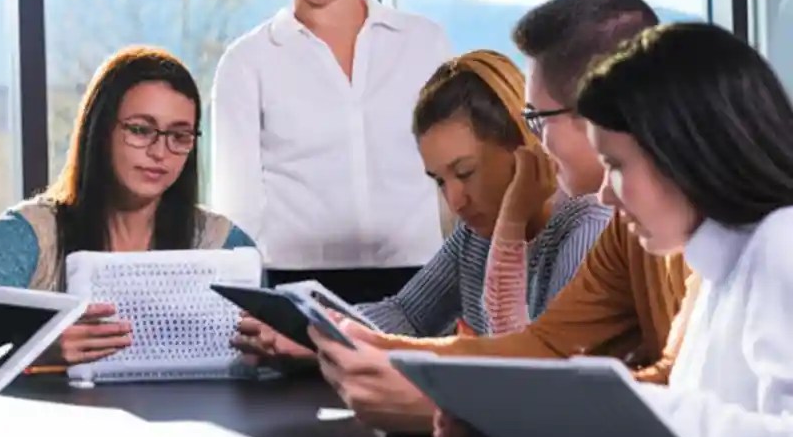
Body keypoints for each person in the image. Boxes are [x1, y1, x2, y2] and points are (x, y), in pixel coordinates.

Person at [304, 0, 694, 433]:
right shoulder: (625, 230)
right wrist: (375, 346)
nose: (537, 141)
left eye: (537, 119)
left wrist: (452, 405)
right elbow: (544, 346)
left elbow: (684, 393)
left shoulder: (624, 223)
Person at [234, 50, 608, 355]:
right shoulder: (476, 233)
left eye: (465, 173)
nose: (454, 200)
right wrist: (310, 330)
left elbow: (527, 369)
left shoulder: (586, 230)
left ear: (525, 149)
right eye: (439, 181)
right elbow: (408, 316)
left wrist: (511, 223)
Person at [211, 0, 452, 304]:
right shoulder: (247, 63)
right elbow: (236, 214)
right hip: (292, 290)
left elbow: (456, 187)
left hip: (423, 287)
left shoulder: (425, 45)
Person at [574, 23, 793, 437]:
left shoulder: (783, 241)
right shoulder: (718, 275)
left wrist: (612, 413)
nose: (604, 195)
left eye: (615, 165)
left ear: (684, 151)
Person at [0, 46, 255, 365]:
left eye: (179, 135)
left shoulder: (223, 243)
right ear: (100, 130)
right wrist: (38, 349)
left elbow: (272, 353)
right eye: (141, 130)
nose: (160, 152)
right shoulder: (24, 237)